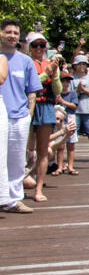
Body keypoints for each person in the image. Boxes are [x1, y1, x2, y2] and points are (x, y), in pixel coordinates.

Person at [0, 19, 40, 214]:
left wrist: (28, 117)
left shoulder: (25, 61)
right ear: (1, 33)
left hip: (19, 117)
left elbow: (31, 92)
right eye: (8, 32)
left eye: (16, 33)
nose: (12, 36)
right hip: (1, 116)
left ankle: (14, 200)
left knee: (16, 160)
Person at [27, 31, 59, 202]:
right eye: (35, 45)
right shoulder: (26, 62)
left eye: (42, 45)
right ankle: (20, 183)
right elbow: (32, 83)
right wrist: (46, 73)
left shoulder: (50, 63)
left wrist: (55, 72)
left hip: (46, 105)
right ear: (29, 47)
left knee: (43, 150)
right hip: (29, 105)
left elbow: (58, 90)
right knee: (24, 149)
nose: (39, 48)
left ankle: (39, 188)